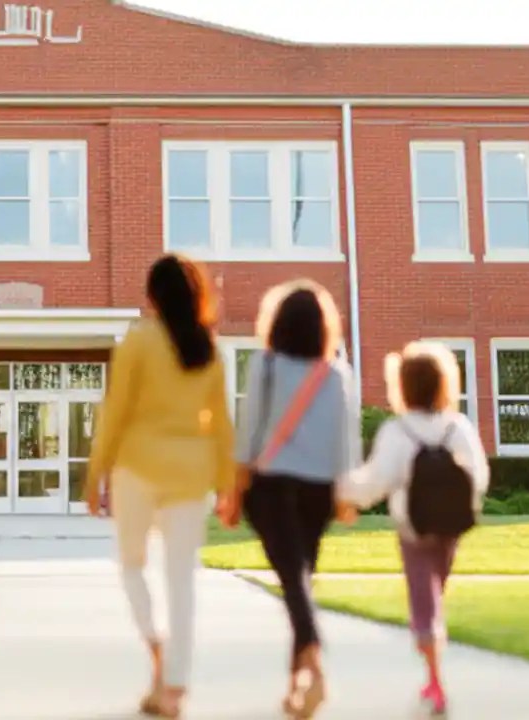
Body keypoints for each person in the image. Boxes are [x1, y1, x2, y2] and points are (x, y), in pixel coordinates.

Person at [86, 253, 235, 719]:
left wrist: (96, 474)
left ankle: (156, 650)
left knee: (132, 567)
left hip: (137, 469)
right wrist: (229, 486)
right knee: (181, 584)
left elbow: (115, 412)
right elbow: (222, 426)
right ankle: (174, 687)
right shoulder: (207, 349)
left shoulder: (139, 341)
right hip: (190, 476)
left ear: (152, 296)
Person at [217, 279, 360, 720]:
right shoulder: (336, 372)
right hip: (318, 488)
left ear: (276, 324)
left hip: (273, 484)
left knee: (294, 579)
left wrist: (234, 490)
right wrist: (345, 492)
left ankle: (312, 667)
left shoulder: (266, 365)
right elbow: (346, 438)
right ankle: (295, 683)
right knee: (300, 578)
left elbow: (250, 433)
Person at [338, 342, 489, 717]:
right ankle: (433, 669)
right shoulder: (458, 427)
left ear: (402, 387)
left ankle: (435, 679)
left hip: (414, 528)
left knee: (424, 601)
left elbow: (376, 481)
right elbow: (479, 475)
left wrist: (342, 493)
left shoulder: (398, 431)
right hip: (451, 526)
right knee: (436, 589)